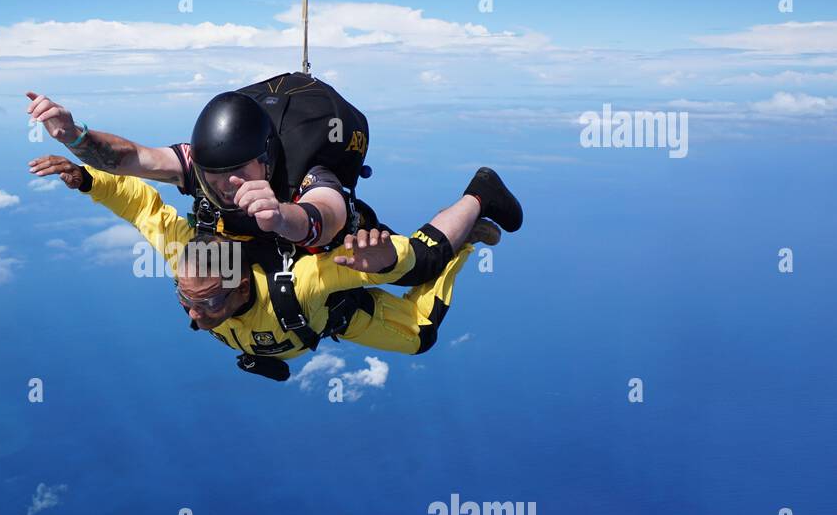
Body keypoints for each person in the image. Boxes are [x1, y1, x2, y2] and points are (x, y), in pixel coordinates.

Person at [29, 154, 520, 381]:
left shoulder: (303, 285)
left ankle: (478, 198)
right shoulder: (192, 258)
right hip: (296, 332)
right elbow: (139, 204)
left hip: (338, 313)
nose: (195, 319)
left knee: (420, 333)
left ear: (243, 284)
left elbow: (396, 262)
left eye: (206, 304)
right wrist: (87, 178)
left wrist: (386, 258)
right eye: (186, 300)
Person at [27, 74, 420, 274]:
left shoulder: (303, 163)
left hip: (311, 231)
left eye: (238, 174)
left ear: (266, 157)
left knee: (409, 268)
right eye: (213, 180)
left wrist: (284, 217)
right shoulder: (200, 164)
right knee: (220, 267)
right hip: (258, 243)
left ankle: (475, 208)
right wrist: (74, 136)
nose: (227, 188)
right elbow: (132, 158)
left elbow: (327, 213)